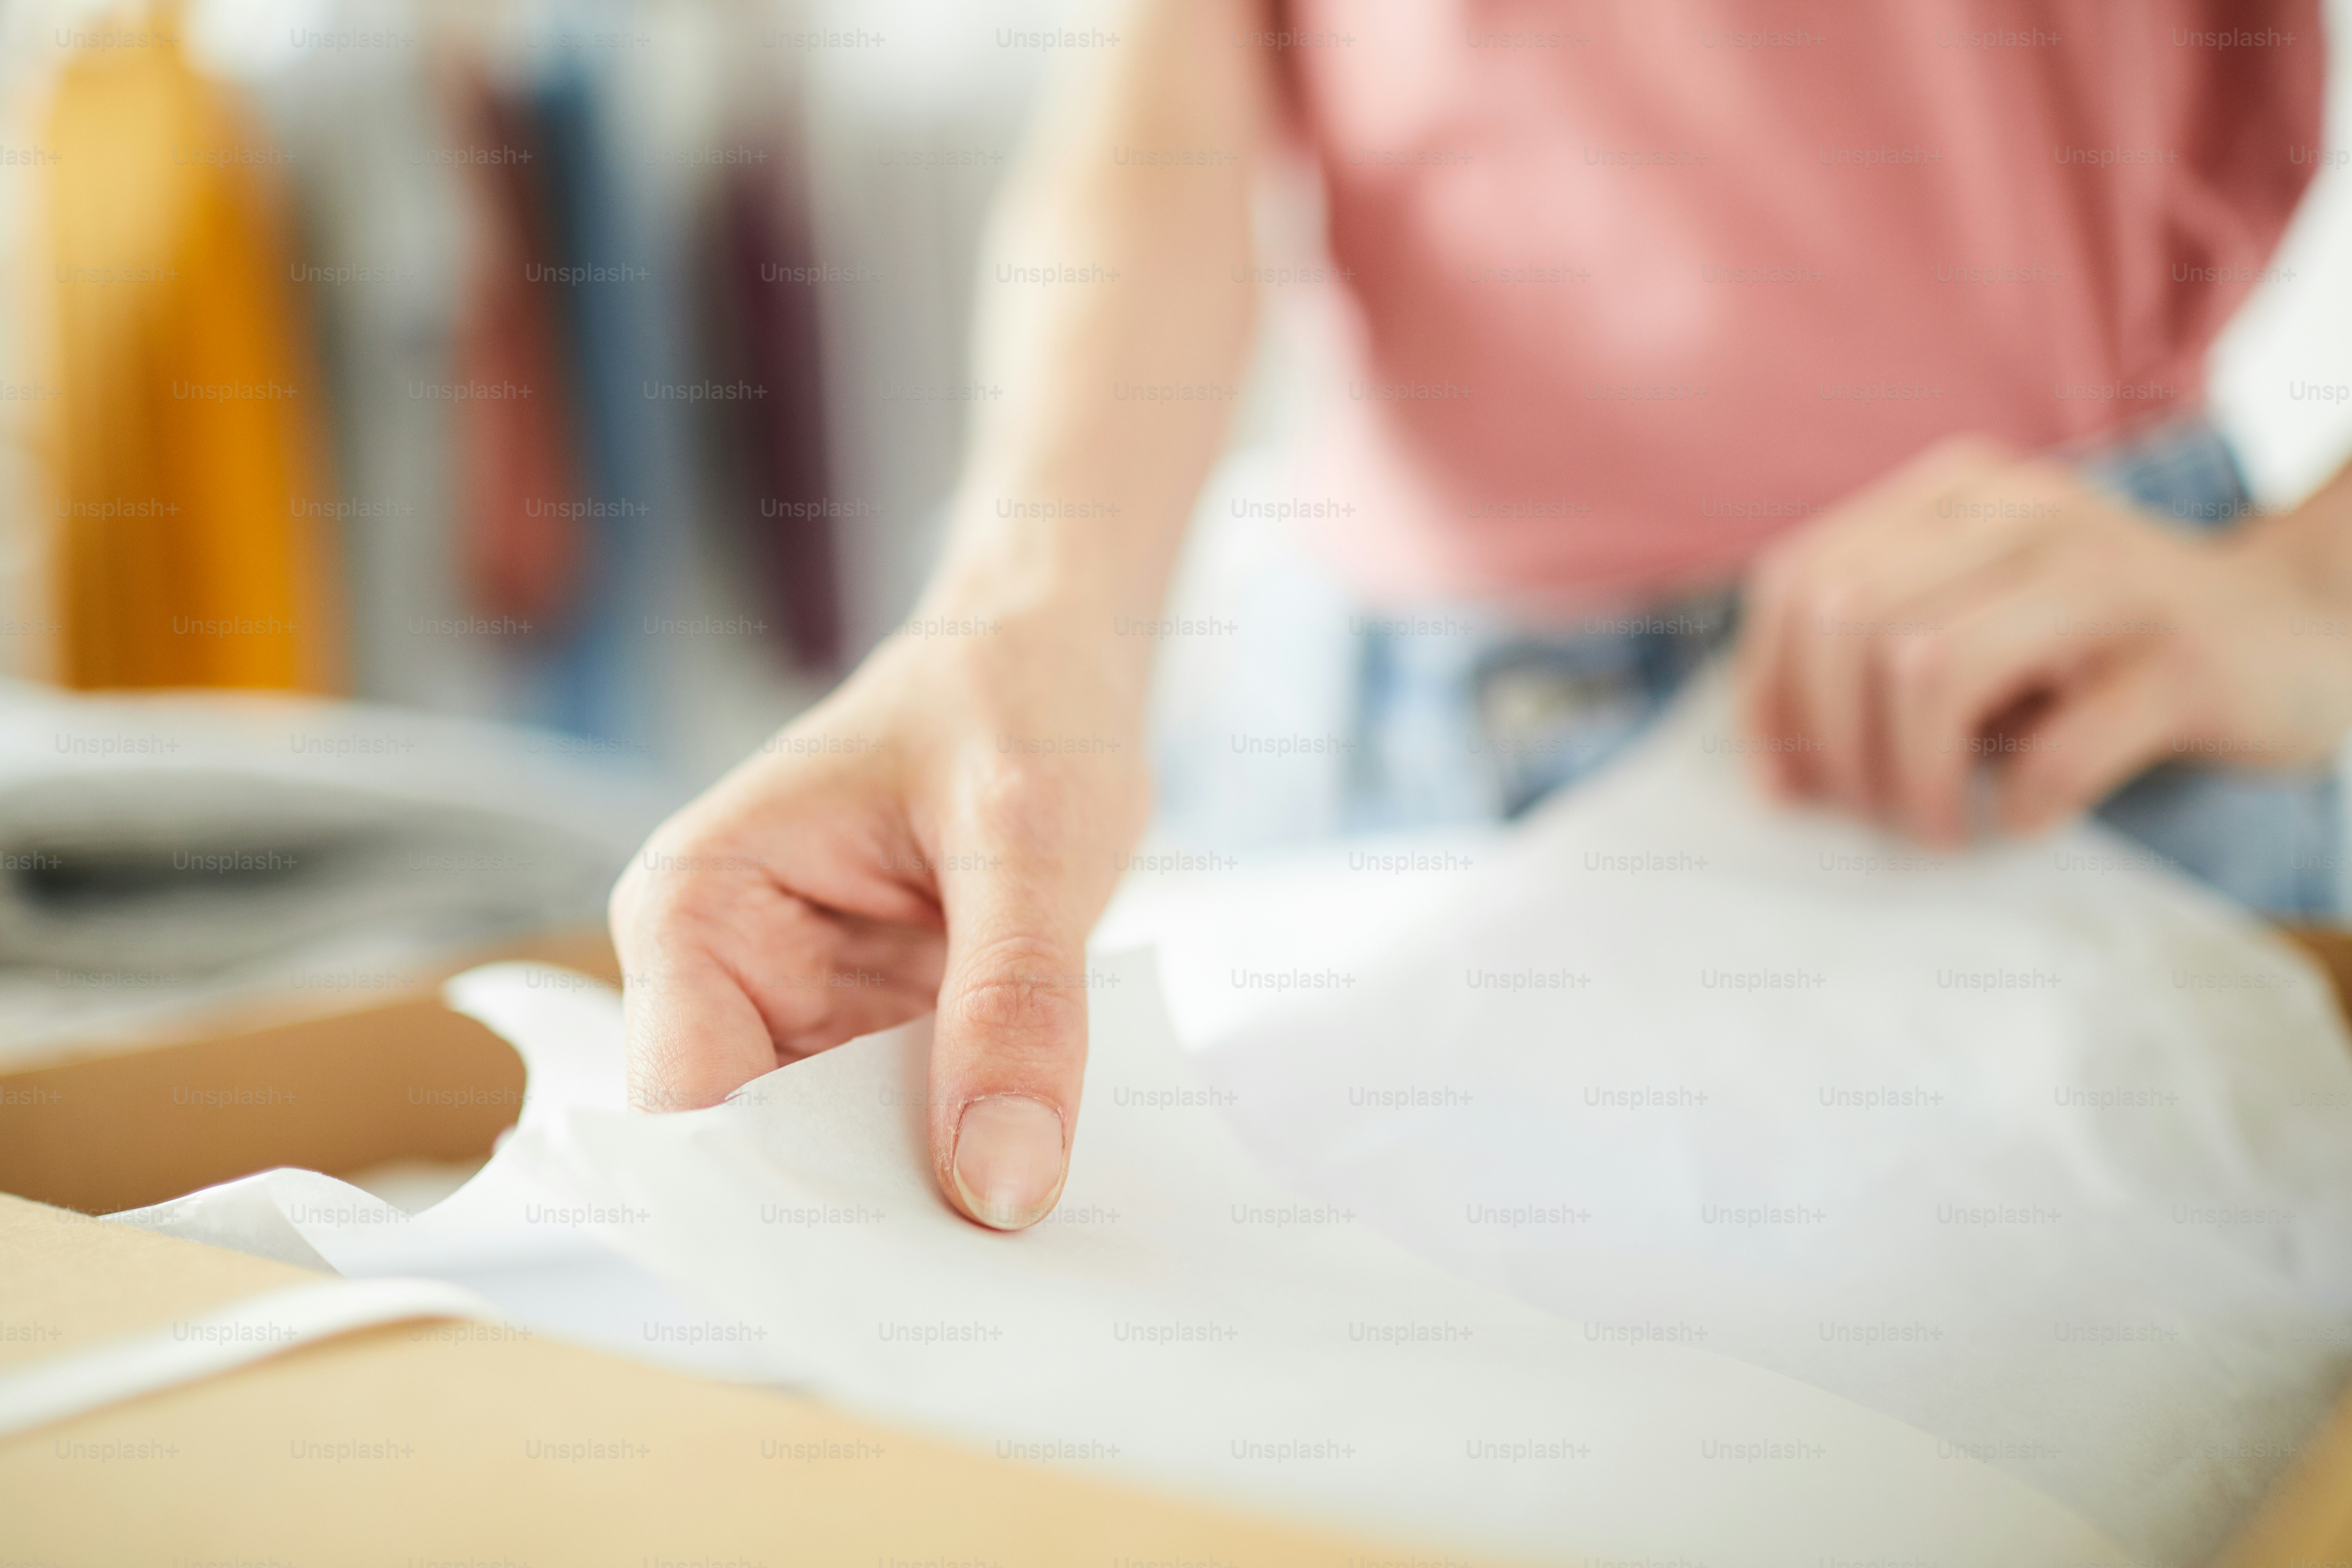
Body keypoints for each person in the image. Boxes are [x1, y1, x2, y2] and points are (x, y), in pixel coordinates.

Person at [611, 0, 2352, 1230]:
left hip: (2054, 726)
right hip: (1372, 748)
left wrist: (2303, 587)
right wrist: (1015, 616)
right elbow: (1167, 99)